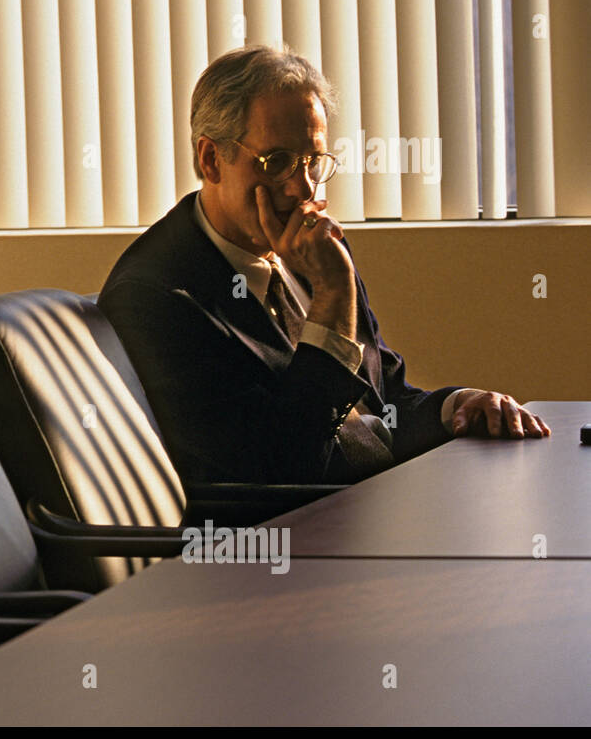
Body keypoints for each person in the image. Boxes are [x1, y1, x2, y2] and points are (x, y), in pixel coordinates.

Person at [98, 45, 549, 485]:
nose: (302, 188)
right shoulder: (156, 295)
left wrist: (458, 407)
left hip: (383, 505)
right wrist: (333, 297)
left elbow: (382, 401)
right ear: (212, 159)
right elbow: (283, 466)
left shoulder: (311, 252)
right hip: (287, 546)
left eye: (313, 161)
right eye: (277, 162)